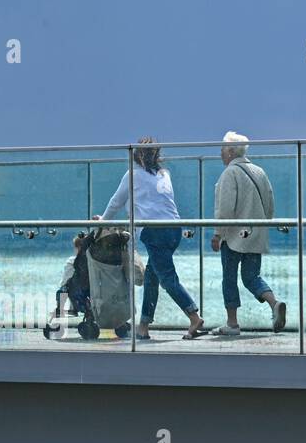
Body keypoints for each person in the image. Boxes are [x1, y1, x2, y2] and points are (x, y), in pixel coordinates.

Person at [96, 137, 206, 340]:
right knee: (151, 278)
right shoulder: (164, 174)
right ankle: (143, 327)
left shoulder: (133, 175)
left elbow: (116, 202)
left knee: (167, 278)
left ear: (136, 155)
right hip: (174, 229)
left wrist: (102, 222)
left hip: (154, 232)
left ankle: (193, 317)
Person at [211, 131, 286, 336]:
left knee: (229, 278)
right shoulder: (259, 171)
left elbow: (225, 209)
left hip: (234, 236)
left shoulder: (230, 173)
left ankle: (232, 323)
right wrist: (262, 225)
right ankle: (274, 303)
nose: (220, 153)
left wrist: (218, 234)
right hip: (255, 233)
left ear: (230, 152)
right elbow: (270, 204)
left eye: (222, 149)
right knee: (252, 276)